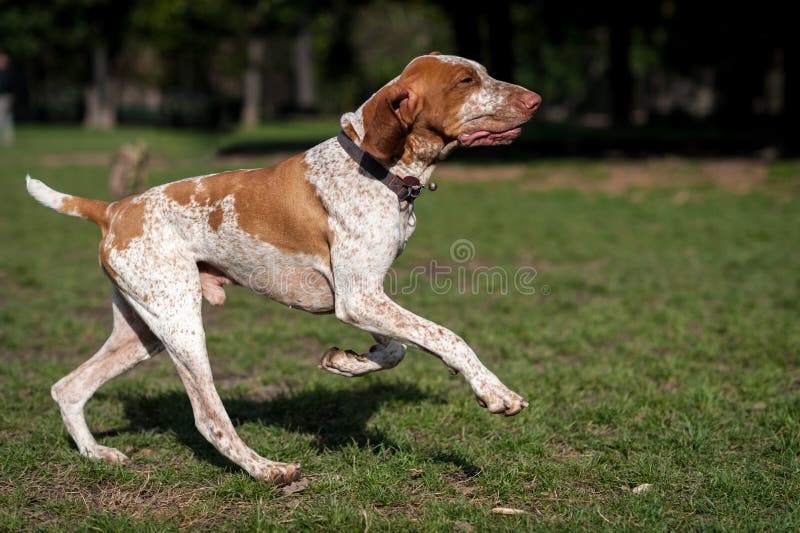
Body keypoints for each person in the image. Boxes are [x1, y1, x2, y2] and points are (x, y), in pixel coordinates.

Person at [0, 52, 15, 146]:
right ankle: (7, 139)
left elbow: (8, 86)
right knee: (5, 118)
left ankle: (8, 139)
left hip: (6, 97)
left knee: (4, 118)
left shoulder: (8, 73)